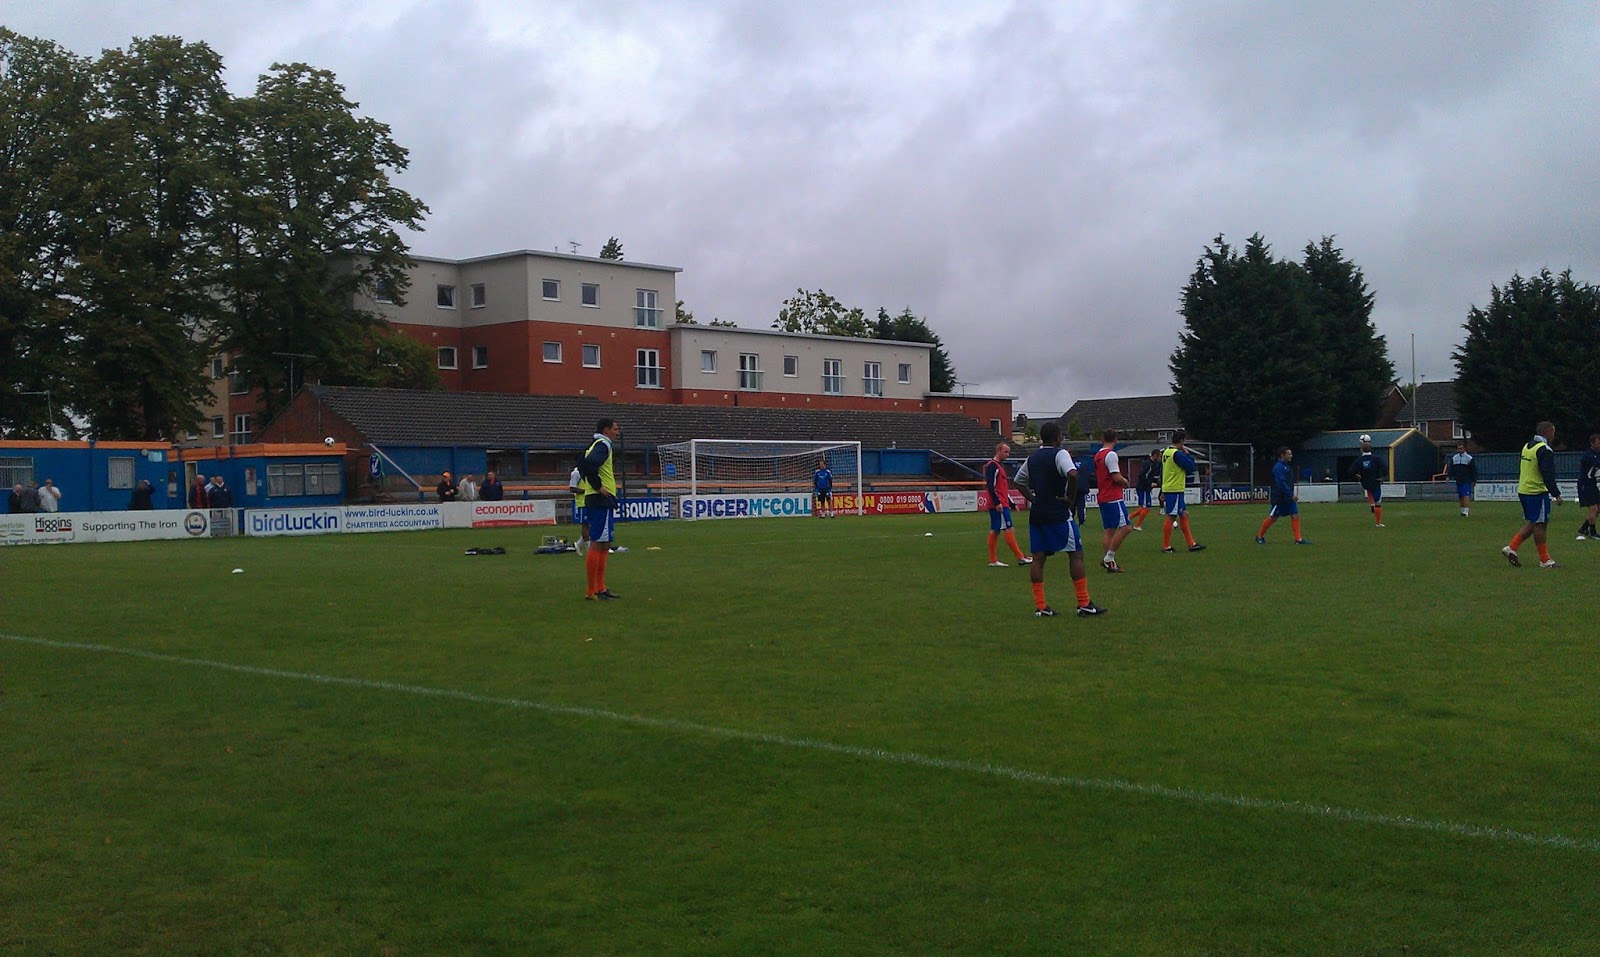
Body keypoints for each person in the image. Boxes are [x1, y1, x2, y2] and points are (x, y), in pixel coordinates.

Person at [1014, 421, 1105, 618]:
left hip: (1037, 513)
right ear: (1057, 437)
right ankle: (1083, 603)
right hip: (1058, 512)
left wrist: (1034, 499)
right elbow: (1072, 474)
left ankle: (1041, 607)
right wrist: (1071, 499)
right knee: (1075, 554)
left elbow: (1018, 481)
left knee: (1038, 558)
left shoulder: (1033, 457)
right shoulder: (1060, 453)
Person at [1502, 420, 1561, 569]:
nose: (1554, 436)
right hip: (1537, 492)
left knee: (1533, 522)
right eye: (1553, 432)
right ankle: (1545, 560)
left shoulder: (1527, 446)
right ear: (1548, 432)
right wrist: (1556, 494)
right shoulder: (1544, 449)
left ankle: (1512, 547)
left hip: (1524, 490)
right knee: (1541, 525)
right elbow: (1548, 474)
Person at [577, 418, 622, 599]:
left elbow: (581, 462)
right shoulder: (603, 444)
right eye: (615, 429)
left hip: (601, 499)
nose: (617, 432)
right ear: (606, 430)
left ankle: (600, 588)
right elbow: (587, 464)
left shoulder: (595, 443)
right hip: (600, 499)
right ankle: (592, 590)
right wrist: (598, 486)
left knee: (605, 543)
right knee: (598, 542)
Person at [982, 443, 1031, 567]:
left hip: (1001, 503)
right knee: (1008, 528)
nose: (1008, 455)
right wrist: (997, 502)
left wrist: (1012, 503)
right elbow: (991, 486)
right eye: (1006, 452)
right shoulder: (992, 466)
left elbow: (1002, 489)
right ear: (998, 451)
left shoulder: (999, 466)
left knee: (995, 530)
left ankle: (993, 560)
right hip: (999, 505)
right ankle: (1020, 557)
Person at [1092, 430, 1134, 572]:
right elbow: (1115, 476)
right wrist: (1125, 481)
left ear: (1102, 439)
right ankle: (1109, 557)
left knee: (1109, 531)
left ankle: (1110, 564)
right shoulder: (1111, 455)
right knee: (1126, 527)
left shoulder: (1098, 455)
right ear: (1115, 440)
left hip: (1103, 496)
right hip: (1113, 497)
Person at [1159, 430, 1205, 553]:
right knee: (1171, 516)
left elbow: (1164, 471)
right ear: (1182, 441)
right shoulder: (1176, 454)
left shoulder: (1166, 452)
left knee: (1184, 514)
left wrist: (1162, 489)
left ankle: (1191, 544)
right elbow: (1191, 467)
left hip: (1170, 487)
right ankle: (1166, 546)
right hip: (1175, 488)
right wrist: (1187, 454)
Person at [1256, 447, 1309, 544]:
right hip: (1279, 497)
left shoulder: (1286, 467)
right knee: (1273, 517)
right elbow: (1281, 483)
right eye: (1289, 454)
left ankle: (1298, 539)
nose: (1291, 456)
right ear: (1282, 455)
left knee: (1295, 515)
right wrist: (1291, 494)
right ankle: (1259, 536)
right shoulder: (1278, 467)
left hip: (1288, 497)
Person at [1348, 434, 1387, 527]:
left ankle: (1372, 504)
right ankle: (1378, 523)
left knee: (1369, 491)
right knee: (1378, 501)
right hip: (1375, 481)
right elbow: (1385, 467)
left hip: (1365, 482)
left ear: (1361, 449)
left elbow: (1351, 472)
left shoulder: (1359, 460)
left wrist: (1358, 477)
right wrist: (1383, 476)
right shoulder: (1376, 459)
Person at [1577, 433, 1600, 541]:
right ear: (1592, 443)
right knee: (1593, 508)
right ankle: (1593, 533)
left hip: (1592, 484)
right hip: (1585, 485)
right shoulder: (1588, 455)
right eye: (1598, 443)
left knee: (1598, 508)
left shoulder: (1596, 454)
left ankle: (1584, 528)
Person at [1131, 449, 1160, 531]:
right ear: (1155, 455)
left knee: (1144, 507)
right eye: (1159, 456)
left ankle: (1127, 519)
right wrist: (1149, 483)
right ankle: (1137, 525)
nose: (1160, 458)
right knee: (1146, 507)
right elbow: (1141, 476)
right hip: (1142, 488)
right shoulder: (1147, 464)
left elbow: (1150, 476)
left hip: (1146, 489)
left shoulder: (1154, 464)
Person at [567, 461, 591, 556]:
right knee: (585, 525)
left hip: (590, 501)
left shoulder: (587, 472)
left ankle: (578, 544)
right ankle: (589, 549)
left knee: (590, 525)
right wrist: (586, 491)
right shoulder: (576, 473)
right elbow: (572, 488)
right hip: (582, 503)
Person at [1447, 445, 1476, 517]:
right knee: (1460, 495)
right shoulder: (1455, 458)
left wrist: (1474, 480)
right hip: (1458, 479)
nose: (1459, 450)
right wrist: (1448, 476)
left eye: (1460, 448)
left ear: (1464, 449)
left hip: (1466, 479)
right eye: (1458, 448)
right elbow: (1451, 468)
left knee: (1465, 494)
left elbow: (1473, 470)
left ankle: (1466, 512)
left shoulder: (1469, 458)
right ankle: (1462, 511)